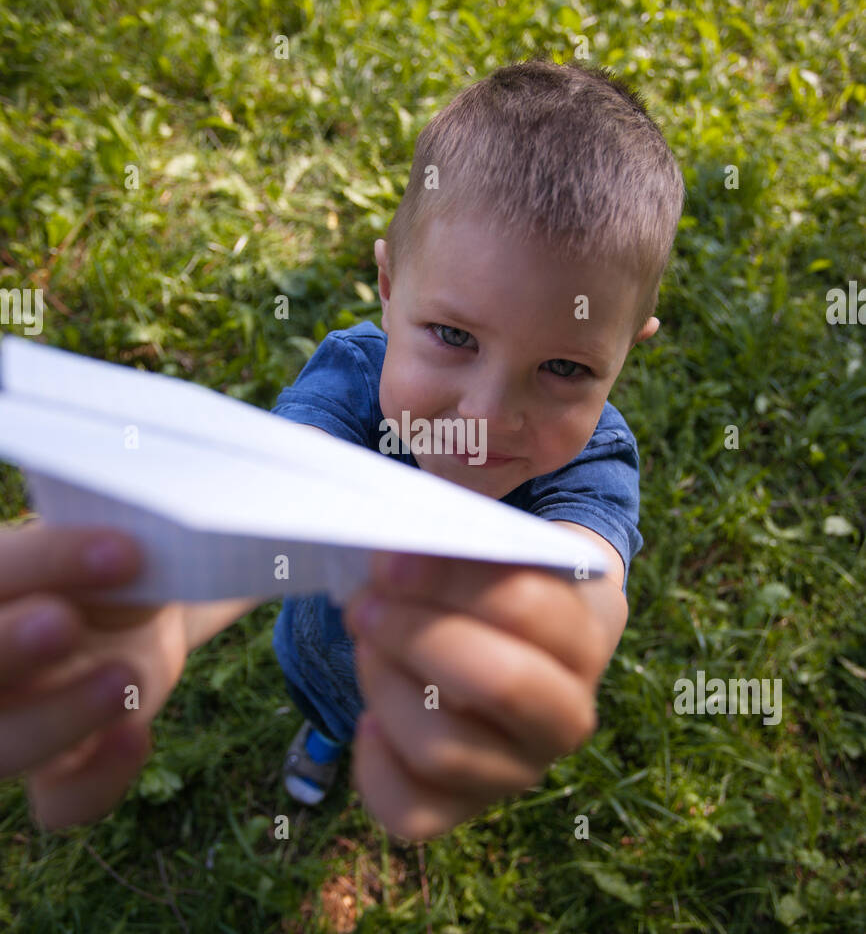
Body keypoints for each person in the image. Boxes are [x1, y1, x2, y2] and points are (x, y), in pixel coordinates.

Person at [0, 59, 684, 842]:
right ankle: (326, 742)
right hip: (320, 654)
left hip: (439, 692)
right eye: (454, 337)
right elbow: (267, 490)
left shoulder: (595, 459)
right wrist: (165, 598)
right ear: (389, 289)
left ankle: (359, 745)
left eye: (565, 369)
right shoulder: (353, 377)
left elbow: (588, 579)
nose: (487, 414)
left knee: (390, 730)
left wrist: (553, 634)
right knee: (329, 713)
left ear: (630, 348)